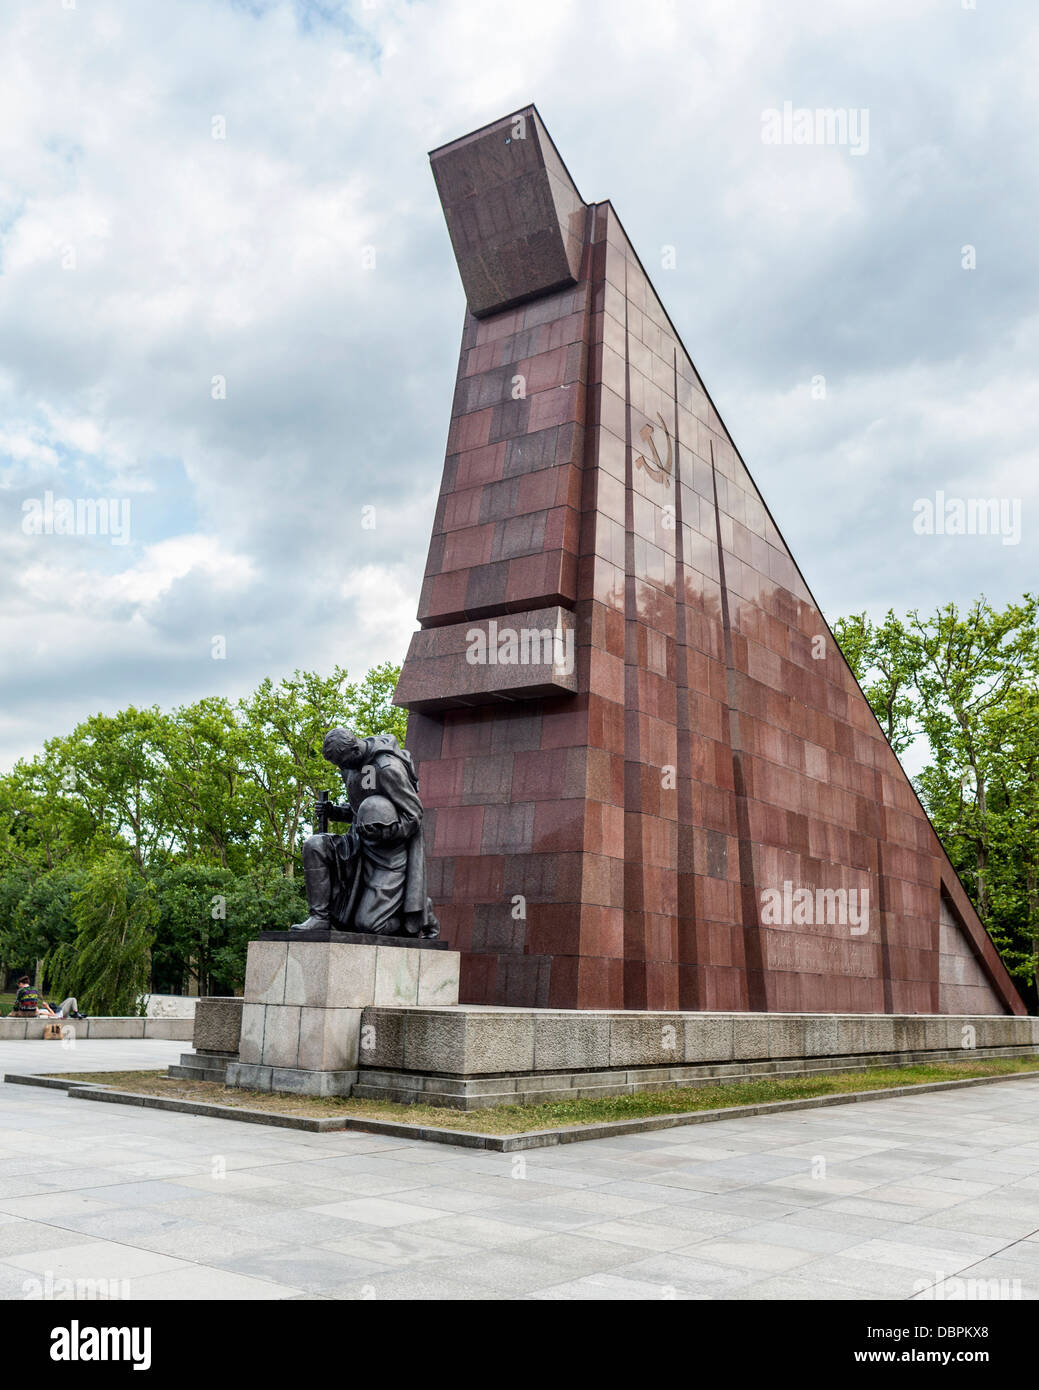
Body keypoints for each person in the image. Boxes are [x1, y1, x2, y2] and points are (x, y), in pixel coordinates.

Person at [10, 976, 83, 1019]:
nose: (18, 986)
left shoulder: (21, 991)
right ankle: (76, 1012)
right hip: (59, 1012)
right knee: (72, 999)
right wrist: (47, 1007)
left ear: (21, 983)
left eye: (19, 985)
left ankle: (76, 1013)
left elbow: (17, 1003)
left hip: (56, 1011)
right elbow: (53, 1015)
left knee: (71, 999)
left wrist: (15, 1010)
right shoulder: (34, 989)